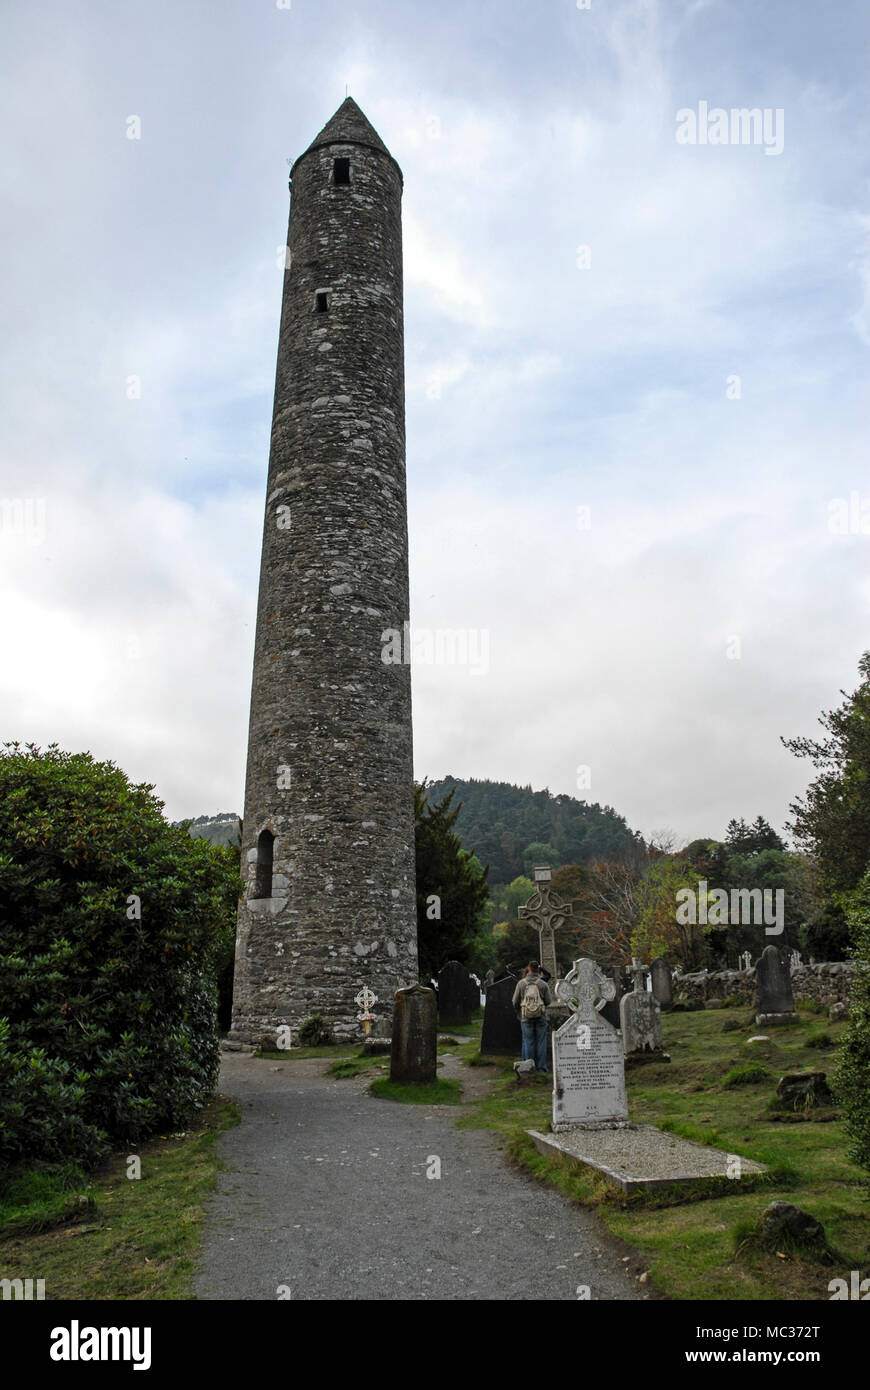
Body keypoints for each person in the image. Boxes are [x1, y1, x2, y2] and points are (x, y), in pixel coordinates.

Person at [512, 961, 552, 1074]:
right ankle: (542, 1069)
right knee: (541, 1041)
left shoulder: (521, 983)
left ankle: (528, 1068)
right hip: (541, 1017)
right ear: (538, 970)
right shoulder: (543, 984)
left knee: (528, 1041)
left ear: (529, 969)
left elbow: (514, 1001)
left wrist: (519, 1011)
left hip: (525, 1017)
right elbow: (548, 1001)